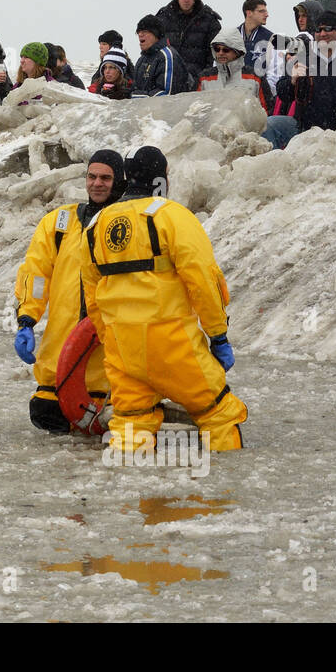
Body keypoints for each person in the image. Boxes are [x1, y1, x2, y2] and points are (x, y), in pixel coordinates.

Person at [79, 145, 249, 453]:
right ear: (161, 178)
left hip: (122, 348)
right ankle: (227, 486)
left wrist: (113, 340)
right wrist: (218, 335)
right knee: (219, 413)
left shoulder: (95, 226)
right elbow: (203, 281)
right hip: (171, 342)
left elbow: (92, 295)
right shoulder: (173, 217)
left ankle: (128, 493)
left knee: (131, 423)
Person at [13, 150, 128, 433]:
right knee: (45, 413)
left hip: (109, 362)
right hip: (60, 358)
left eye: (105, 178)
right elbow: (37, 274)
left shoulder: (126, 225)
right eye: (92, 176)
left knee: (108, 425)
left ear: (119, 182)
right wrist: (27, 320)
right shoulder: (58, 224)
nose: (97, 183)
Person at [155, 0, 221, 79]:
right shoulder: (163, 17)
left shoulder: (209, 20)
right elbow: (153, 47)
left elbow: (216, 53)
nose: (186, 0)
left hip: (197, 80)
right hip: (166, 77)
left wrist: (205, 77)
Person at [197, 27, 271, 112]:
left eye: (226, 50)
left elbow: (267, 113)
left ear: (237, 52)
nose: (220, 53)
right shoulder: (204, 78)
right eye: (217, 49)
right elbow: (193, 111)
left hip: (245, 125)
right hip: (212, 125)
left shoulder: (255, 78)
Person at [131, 15, 193, 96]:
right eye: (138, 31)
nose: (140, 34)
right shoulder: (142, 60)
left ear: (156, 34)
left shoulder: (168, 57)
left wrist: (135, 97)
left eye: (144, 31)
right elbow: (134, 90)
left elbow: (166, 95)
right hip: (146, 108)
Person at [239, 0, 273, 76]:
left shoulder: (271, 38)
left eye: (266, 11)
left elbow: (274, 71)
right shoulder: (231, 36)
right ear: (249, 13)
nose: (267, 15)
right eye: (261, 11)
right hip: (233, 86)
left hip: (259, 86)